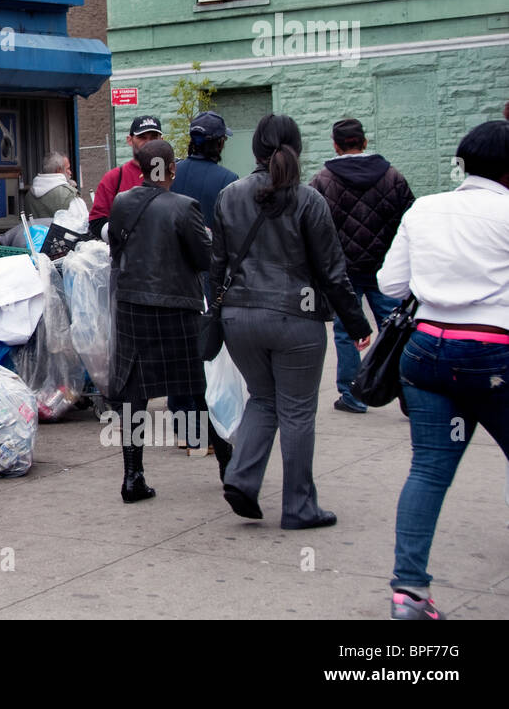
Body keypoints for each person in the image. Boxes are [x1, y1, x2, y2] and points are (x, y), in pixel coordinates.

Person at [213, 114, 371, 530]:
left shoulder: (229, 196)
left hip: (239, 317)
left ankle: (242, 477)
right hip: (296, 319)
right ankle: (299, 507)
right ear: (296, 149)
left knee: (263, 398)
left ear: (255, 150)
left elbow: (217, 266)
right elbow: (333, 273)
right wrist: (358, 326)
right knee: (297, 411)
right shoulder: (309, 200)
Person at [378, 120, 509, 620]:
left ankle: (408, 594)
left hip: (426, 350)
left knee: (428, 470)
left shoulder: (425, 208)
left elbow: (392, 284)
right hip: (494, 353)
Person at [108, 140, 227, 501]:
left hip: (131, 305)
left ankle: (133, 476)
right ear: (171, 169)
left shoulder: (121, 202)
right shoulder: (185, 207)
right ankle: (227, 465)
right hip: (177, 307)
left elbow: (116, 247)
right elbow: (205, 259)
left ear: (140, 168)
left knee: (133, 394)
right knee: (194, 387)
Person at [309, 119, 415, 414]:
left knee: (345, 331)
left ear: (335, 145)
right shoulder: (392, 176)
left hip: (342, 272)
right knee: (396, 328)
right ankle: (408, 395)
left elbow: (314, 228)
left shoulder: (322, 181)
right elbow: (409, 220)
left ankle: (352, 395)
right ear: (365, 142)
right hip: (384, 268)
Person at [168, 110, 239, 448]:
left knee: (180, 354)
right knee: (210, 355)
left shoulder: (171, 174)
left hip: (174, 279)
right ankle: (213, 433)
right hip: (212, 280)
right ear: (219, 143)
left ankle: (185, 433)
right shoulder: (229, 180)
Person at [88, 115, 163, 240]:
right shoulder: (114, 178)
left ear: (162, 140)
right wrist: (123, 236)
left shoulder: (171, 175)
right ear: (130, 140)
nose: (149, 143)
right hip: (128, 256)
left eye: (153, 138)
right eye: (142, 138)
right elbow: (96, 221)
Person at [25, 151, 78, 218]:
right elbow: (81, 222)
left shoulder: (29, 195)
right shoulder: (69, 194)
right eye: (68, 168)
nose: (70, 172)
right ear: (59, 171)